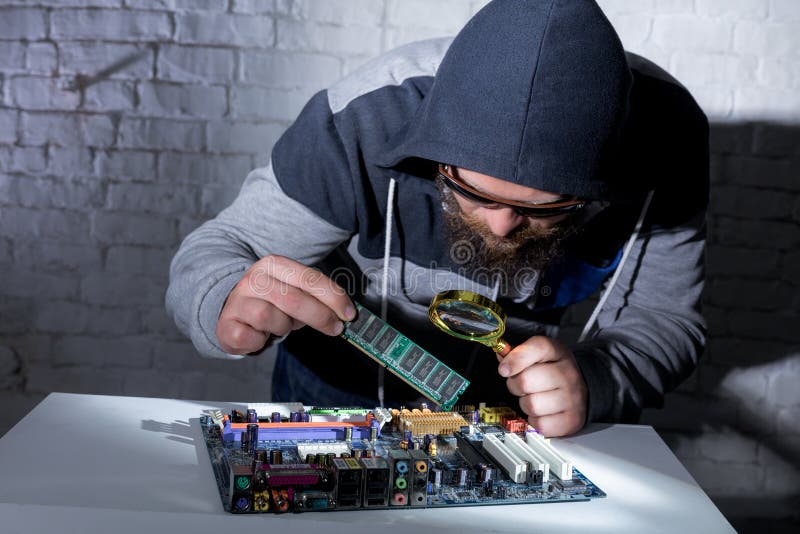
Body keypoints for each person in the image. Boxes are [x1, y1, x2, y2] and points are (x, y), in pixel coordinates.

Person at [166, 0, 708, 437]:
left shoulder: (667, 140)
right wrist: (223, 300)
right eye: (472, 192)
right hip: (333, 393)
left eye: (544, 209)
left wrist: (595, 380)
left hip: (505, 415)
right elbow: (226, 247)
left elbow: (664, 317)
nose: (501, 228)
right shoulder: (365, 118)